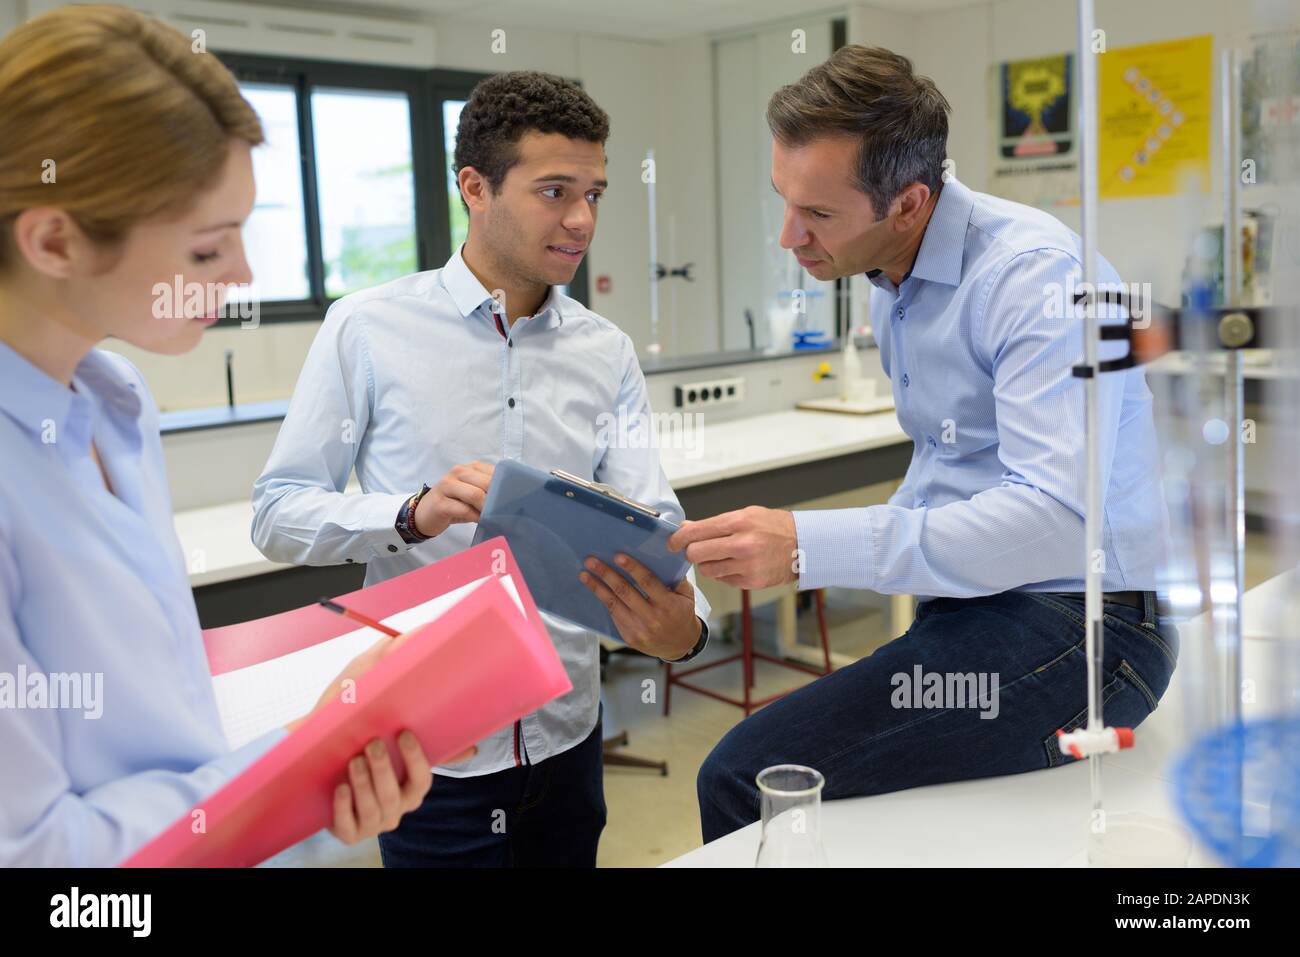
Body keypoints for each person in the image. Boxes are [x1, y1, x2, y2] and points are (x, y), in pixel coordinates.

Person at [670, 45, 1177, 843]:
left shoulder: (1039, 279)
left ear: (908, 204)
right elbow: (947, 468)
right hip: (984, 615)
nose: (788, 236)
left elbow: (1056, 519)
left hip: (1092, 632)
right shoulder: (891, 283)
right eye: (784, 200)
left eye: (820, 214)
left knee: (744, 775)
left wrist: (807, 546)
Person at [0, 5, 463, 866]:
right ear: (55, 238)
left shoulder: (116, 402)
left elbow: (158, 715)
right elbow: (34, 853)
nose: (246, 276)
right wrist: (303, 760)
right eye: (210, 250)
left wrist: (316, 770)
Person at [252, 70, 711, 867]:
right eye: (555, 191)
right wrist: (408, 512)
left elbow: (652, 513)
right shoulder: (366, 329)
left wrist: (687, 621)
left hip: (568, 734)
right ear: (475, 186)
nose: (581, 220)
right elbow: (277, 513)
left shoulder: (605, 352)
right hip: (432, 747)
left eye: (596, 193)